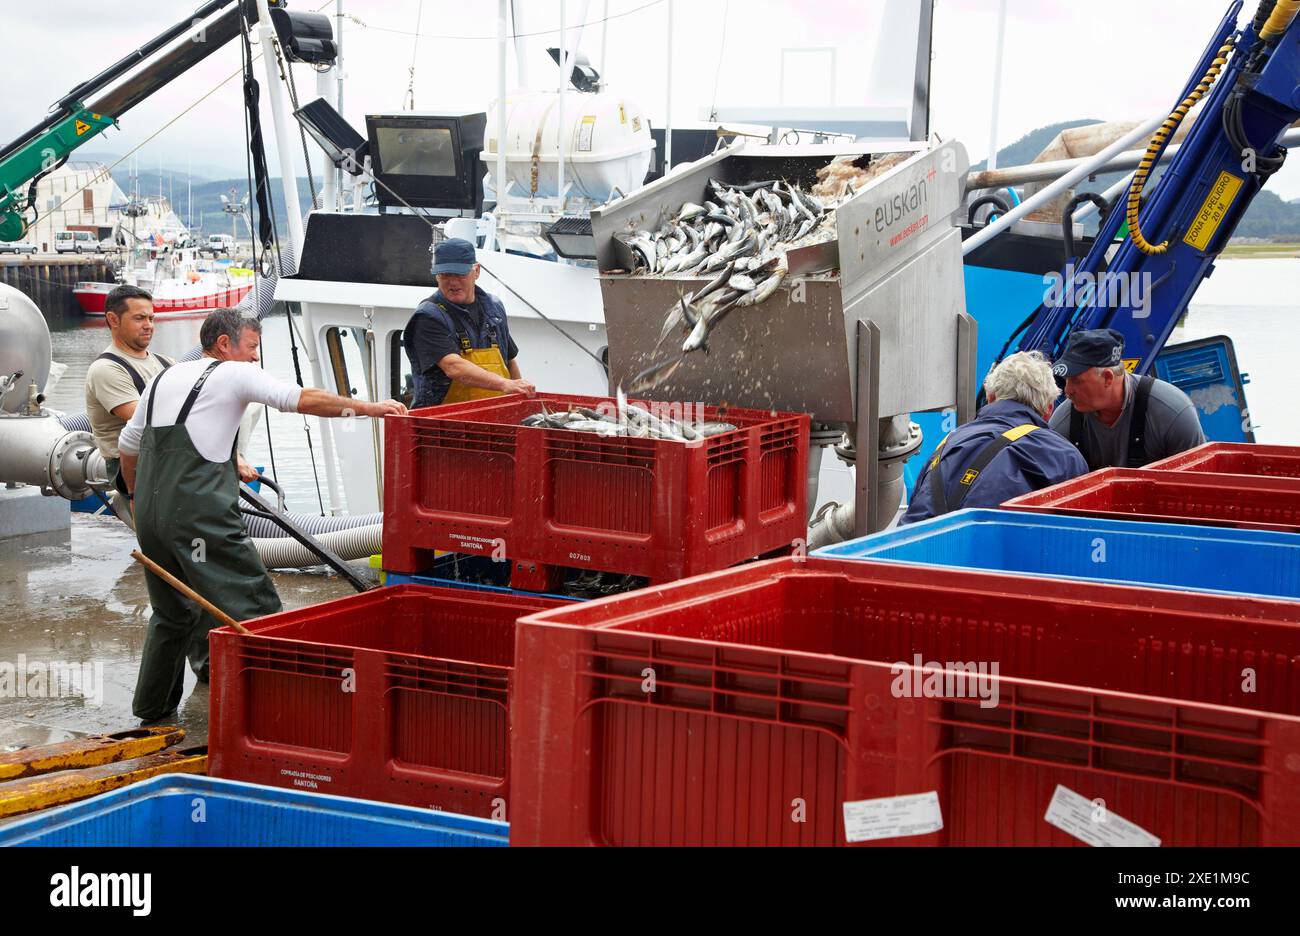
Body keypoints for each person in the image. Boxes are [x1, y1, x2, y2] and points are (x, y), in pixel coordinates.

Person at [117, 308, 407, 723]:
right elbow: (303, 399)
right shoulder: (233, 373)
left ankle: (152, 712)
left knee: (171, 613)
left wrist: (134, 499)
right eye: (251, 347)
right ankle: (286, 705)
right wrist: (370, 408)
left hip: (150, 516)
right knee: (253, 602)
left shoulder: (163, 377)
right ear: (224, 345)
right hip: (200, 518)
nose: (255, 358)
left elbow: (129, 449)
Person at [901, 352, 1088, 524]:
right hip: (994, 557)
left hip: (911, 555)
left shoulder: (948, 442)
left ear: (990, 397)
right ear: (1048, 410)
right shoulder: (1065, 456)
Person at [403, 237, 535, 408]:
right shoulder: (428, 317)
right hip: (441, 425)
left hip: (492, 418)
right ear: (436, 276)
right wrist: (505, 384)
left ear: (477, 271)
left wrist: (521, 398)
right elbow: (453, 366)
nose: (453, 282)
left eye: (460, 274)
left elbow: (509, 360)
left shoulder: (494, 308)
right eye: (445, 274)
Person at [1049, 328, 1206, 469]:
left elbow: (1198, 480)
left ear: (1107, 378)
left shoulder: (1173, 412)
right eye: (1066, 380)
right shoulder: (1063, 423)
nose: (1067, 391)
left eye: (1076, 381)